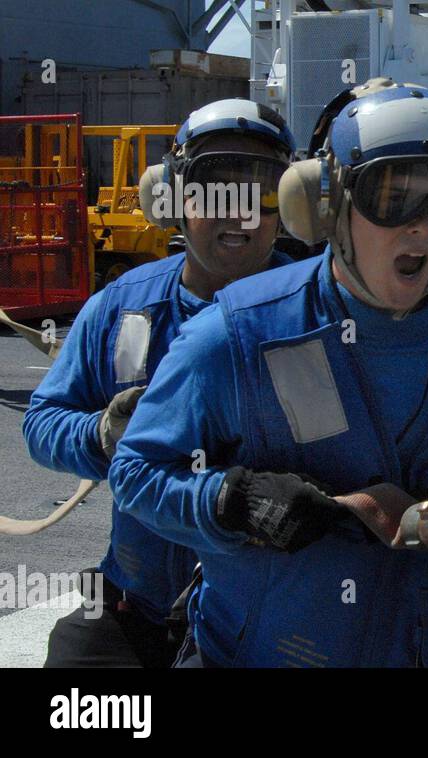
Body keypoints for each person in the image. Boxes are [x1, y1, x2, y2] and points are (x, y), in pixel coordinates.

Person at [108, 82, 428, 667]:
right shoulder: (240, 331)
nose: (424, 226)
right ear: (330, 201)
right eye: (395, 195)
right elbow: (135, 474)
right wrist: (230, 501)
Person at [23, 99, 296, 668]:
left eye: (261, 188)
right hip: (138, 607)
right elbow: (43, 421)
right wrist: (101, 433)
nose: (239, 212)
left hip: (274, 619)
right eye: (215, 187)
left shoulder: (319, 315)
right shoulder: (121, 308)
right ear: (170, 198)